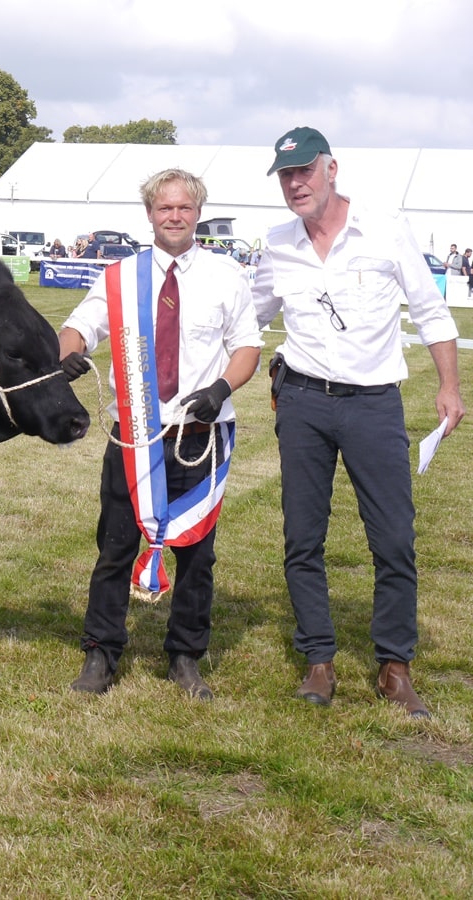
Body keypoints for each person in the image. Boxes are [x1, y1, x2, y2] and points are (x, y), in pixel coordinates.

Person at [252, 126, 466, 718]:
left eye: (304, 171)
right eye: (285, 175)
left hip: (374, 404)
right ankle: (318, 660)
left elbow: (430, 310)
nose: (295, 184)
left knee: (394, 539)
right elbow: (250, 314)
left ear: (331, 168)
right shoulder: (278, 243)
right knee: (303, 537)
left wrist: (449, 386)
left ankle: (394, 666)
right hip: (301, 403)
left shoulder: (385, 228)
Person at [59, 168, 262, 700]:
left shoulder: (226, 276)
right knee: (115, 547)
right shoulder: (120, 277)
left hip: (200, 437)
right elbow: (77, 327)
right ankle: (101, 653)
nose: (174, 217)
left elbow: (247, 348)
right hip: (134, 439)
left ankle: (185, 656)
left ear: (198, 214)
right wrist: (70, 352)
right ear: (149, 214)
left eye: (184, 208)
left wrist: (220, 388)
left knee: (197, 553)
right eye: (164, 208)